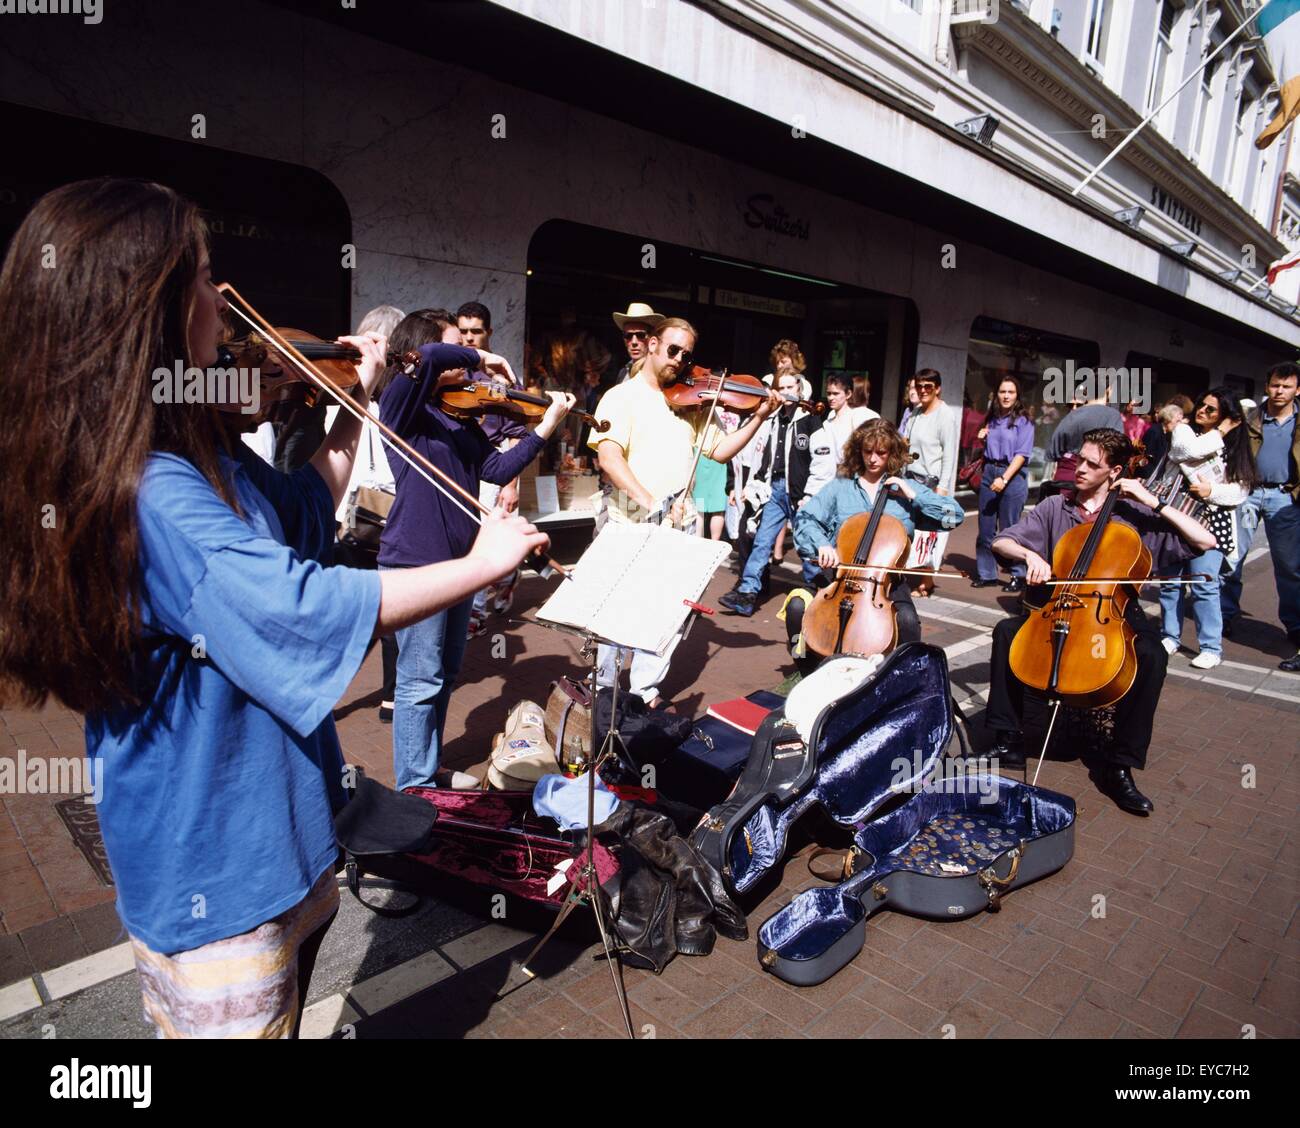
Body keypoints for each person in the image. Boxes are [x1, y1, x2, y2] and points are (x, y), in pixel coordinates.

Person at [0, 178, 551, 1038]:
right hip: (217, 868)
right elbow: (305, 602)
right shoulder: (151, 495)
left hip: (282, 835)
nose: (225, 304)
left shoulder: (198, 453)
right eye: (205, 280)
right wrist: (478, 562)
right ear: (147, 317)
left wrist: (349, 416)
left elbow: (297, 514)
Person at [379, 310, 574, 790]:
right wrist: (482, 353)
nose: (466, 371)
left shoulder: (456, 416)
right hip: (416, 561)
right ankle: (414, 785)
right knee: (419, 681)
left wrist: (546, 425)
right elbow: (423, 358)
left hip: (460, 564)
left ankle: (427, 767)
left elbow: (494, 466)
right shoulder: (402, 405)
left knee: (443, 675)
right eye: (455, 354)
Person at [986, 429, 1217, 816]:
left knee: (1151, 656)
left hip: (1114, 611)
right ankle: (1008, 737)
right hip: (1060, 604)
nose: (1080, 468)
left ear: (1115, 472)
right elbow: (1002, 542)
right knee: (1007, 632)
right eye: (1081, 459)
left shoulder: (1134, 515)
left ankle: (1118, 765)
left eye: (1093, 464)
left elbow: (1204, 541)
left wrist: (1153, 501)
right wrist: (1029, 556)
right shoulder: (1056, 507)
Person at [588, 317, 780, 706]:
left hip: (678, 522)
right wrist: (651, 501)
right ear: (653, 344)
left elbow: (720, 450)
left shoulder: (689, 402)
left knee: (666, 614)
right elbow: (609, 457)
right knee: (615, 612)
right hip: (630, 521)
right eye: (673, 350)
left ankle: (644, 690)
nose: (679, 360)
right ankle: (602, 690)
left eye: (686, 354)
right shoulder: (620, 396)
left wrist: (759, 417)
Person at [789, 419, 964, 663]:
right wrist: (822, 544)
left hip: (886, 582)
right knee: (797, 606)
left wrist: (913, 495)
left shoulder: (907, 489)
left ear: (892, 453)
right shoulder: (841, 486)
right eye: (867, 451)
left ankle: (898, 678)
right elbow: (805, 519)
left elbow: (953, 518)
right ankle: (805, 667)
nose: (873, 459)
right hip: (839, 576)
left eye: (881, 453)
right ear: (858, 451)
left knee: (907, 621)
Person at [328, 303, 406, 722]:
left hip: (352, 521)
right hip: (380, 519)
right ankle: (390, 696)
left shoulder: (343, 401)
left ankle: (337, 690)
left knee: (356, 615)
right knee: (388, 613)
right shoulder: (393, 407)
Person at [1158, 388, 1254, 669]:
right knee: (1170, 583)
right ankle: (1169, 636)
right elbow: (1187, 451)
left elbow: (1240, 491)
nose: (1202, 411)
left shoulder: (1237, 448)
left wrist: (1210, 490)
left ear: (1226, 414)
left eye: (1211, 409)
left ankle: (1211, 646)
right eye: (1202, 405)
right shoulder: (1184, 431)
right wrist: (1220, 430)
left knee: (1204, 584)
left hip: (1211, 521)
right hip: (1176, 516)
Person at [719, 365, 825, 616]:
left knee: (806, 545)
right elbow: (762, 454)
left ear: (799, 389)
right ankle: (747, 593)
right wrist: (755, 483)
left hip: (801, 494)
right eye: (782, 388)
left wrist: (810, 494)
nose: (787, 392)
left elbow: (822, 462)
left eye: (791, 387)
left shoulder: (810, 421)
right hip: (775, 490)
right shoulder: (773, 418)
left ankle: (819, 593)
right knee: (761, 542)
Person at [457, 301, 531, 639]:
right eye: (464, 331)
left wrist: (511, 484)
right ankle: (506, 576)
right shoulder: (454, 370)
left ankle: (474, 612)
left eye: (476, 331)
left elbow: (517, 435)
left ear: (489, 332)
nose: (469, 338)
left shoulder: (501, 374)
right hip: (461, 465)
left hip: (494, 464)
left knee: (479, 541)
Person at [1220, 363, 1300, 670]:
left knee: (1290, 567)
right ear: (1267, 386)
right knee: (1232, 557)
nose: (1280, 392)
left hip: (1285, 496)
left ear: (1297, 389)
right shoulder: (1250, 418)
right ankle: (1226, 614)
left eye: (1286, 386)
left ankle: (1294, 624)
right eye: (1275, 385)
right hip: (1248, 491)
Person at [971, 377, 1035, 592]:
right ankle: (987, 573)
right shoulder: (992, 418)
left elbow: (1021, 455)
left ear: (1017, 396)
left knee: (1010, 529)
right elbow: (990, 446)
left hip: (1012, 475)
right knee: (986, 527)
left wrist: (1004, 478)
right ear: (996, 394)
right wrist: (981, 439)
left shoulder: (1024, 421)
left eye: (1011, 392)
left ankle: (1018, 575)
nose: (1006, 396)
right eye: (1002, 391)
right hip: (990, 470)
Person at [1042, 378, 1124, 500]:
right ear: (1109, 390)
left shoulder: (1072, 414)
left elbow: (1052, 452)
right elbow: (1118, 451)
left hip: (1063, 478)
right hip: (1092, 481)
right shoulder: (1113, 416)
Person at [805, 373, 878, 497]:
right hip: (830, 478)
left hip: (852, 477)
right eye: (829, 393)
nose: (831, 398)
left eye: (836, 394)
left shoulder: (857, 417)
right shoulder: (827, 421)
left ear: (848, 394)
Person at [904, 369, 959, 494]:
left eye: (928, 386)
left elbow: (949, 454)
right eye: (919, 386)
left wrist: (943, 487)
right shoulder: (916, 412)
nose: (923, 390)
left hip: (930, 484)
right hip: (909, 479)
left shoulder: (945, 415)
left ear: (937, 389)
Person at [612, 301, 665, 383]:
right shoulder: (623, 373)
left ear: (653, 339)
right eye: (628, 336)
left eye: (640, 335)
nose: (634, 342)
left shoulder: (662, 374)